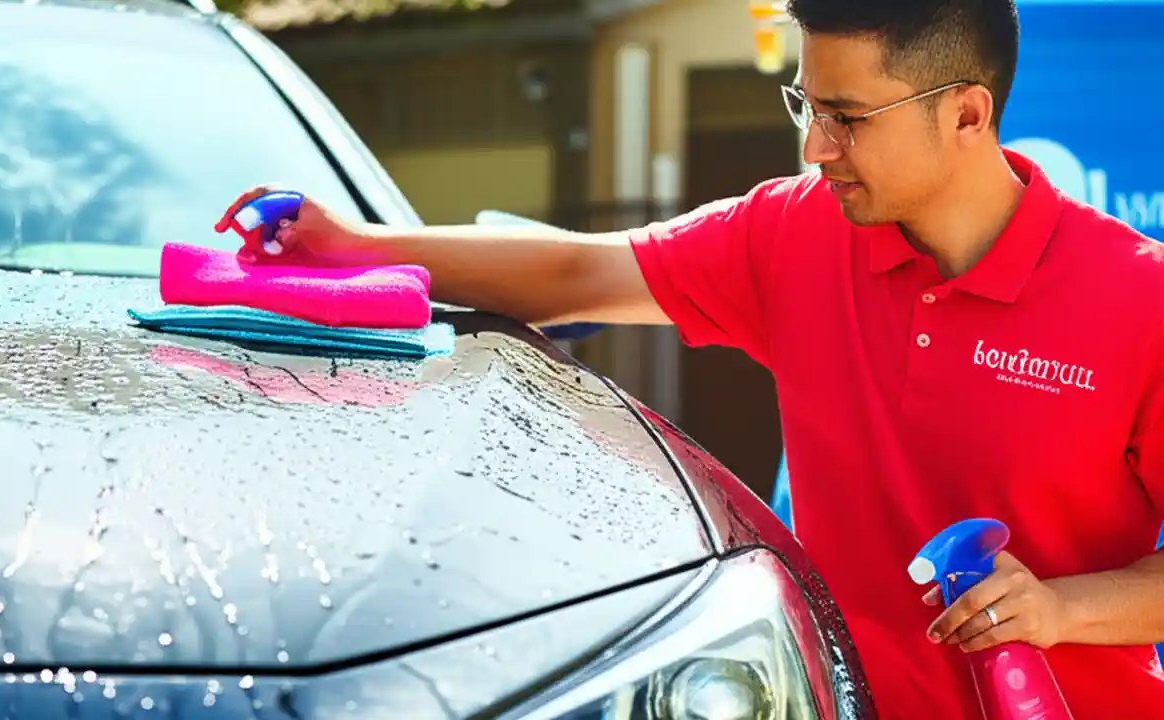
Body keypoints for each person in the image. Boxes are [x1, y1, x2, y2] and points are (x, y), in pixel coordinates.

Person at [217, 0, 1164, 716]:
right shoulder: (796, 234)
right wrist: (351, 246)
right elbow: (573, 271)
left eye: (848, 115)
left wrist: (1058, 610)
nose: (814, 144)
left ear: (966, 114)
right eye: (805, 102)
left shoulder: (1138, 297)